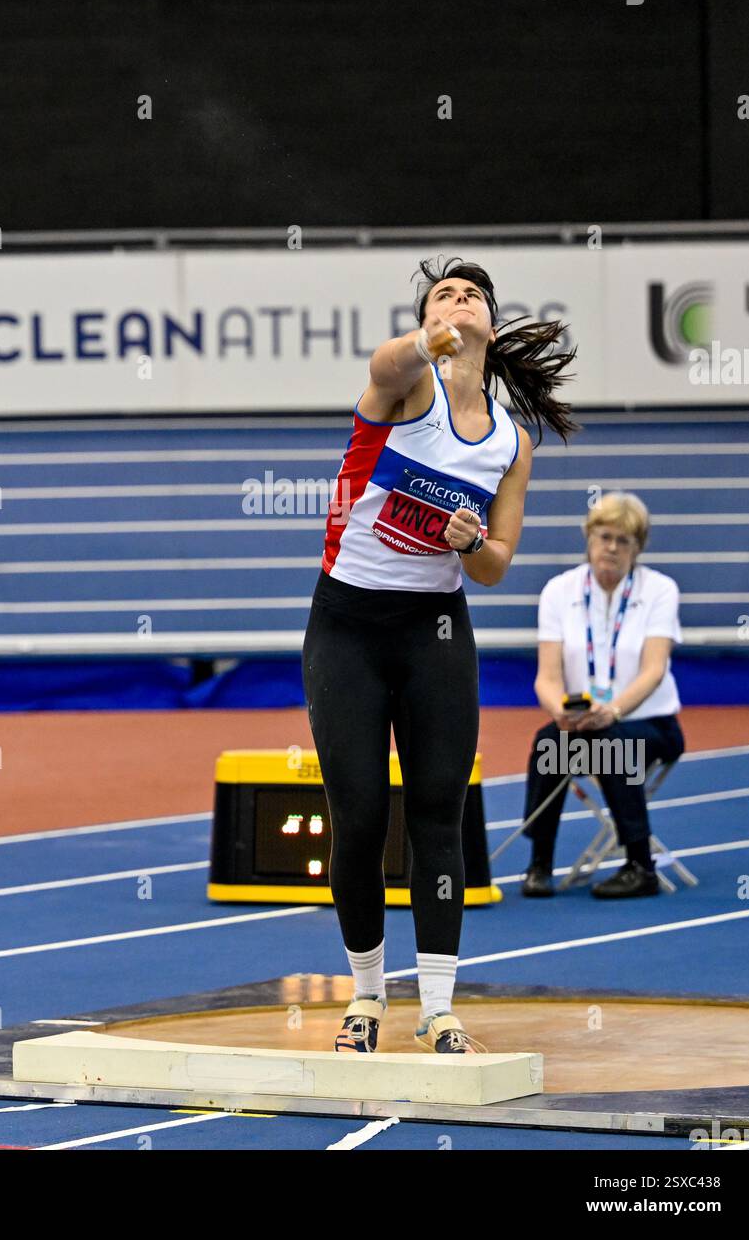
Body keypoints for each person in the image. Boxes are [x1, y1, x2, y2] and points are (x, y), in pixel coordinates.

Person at [301, 255, 576, 1053]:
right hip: (346, 627)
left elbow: (494, 569)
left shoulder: (509, 443)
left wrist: (470, 541)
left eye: (470, 295)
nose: (457, 301)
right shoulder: (405, 385)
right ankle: (362, 996)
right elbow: (381, 362)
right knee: (356, 818)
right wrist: (426, 341)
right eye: (442, 295)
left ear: (493, 321)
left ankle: (438, 1005)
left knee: (437, 815)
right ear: (426, 321)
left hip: (436, 634)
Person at [522, 492, 685, 899]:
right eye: (604, 536)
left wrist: (612, 711)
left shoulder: (660, 590)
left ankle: (640, 865)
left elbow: (653, 669)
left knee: (614, 745)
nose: (611, 547)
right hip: (582, 724)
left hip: (652, 724)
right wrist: (562, 712)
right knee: (548, 742)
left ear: (637, 548)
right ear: (589, 538)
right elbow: (546, 677)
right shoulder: (559, 591)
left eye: (623, 540)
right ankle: (539, 863)